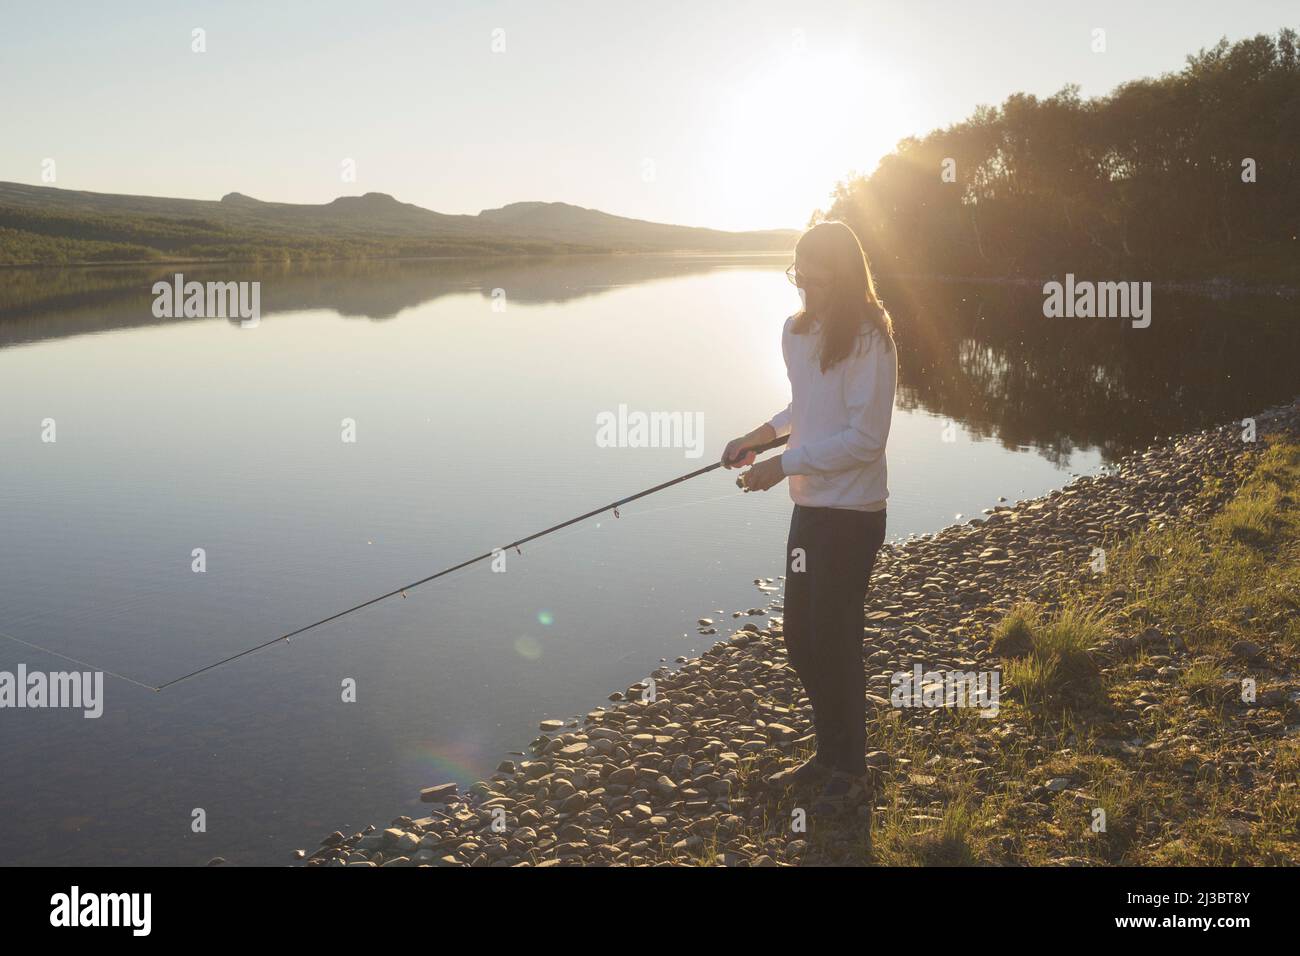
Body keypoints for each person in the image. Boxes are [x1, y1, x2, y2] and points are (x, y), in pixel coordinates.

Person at [723, 220, 897, 814]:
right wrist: (761, 436)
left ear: (846, 277)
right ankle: (830, 755)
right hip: (811, 510)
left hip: (853, 514)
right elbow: (806, 406)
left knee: (837, 638)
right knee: (800, 638)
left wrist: (782, 465)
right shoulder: (796, 331)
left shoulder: (872, 338)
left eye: (818, 282)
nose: (806, 292)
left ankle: (851, 771)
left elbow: (865, 440)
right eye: (799, 277)